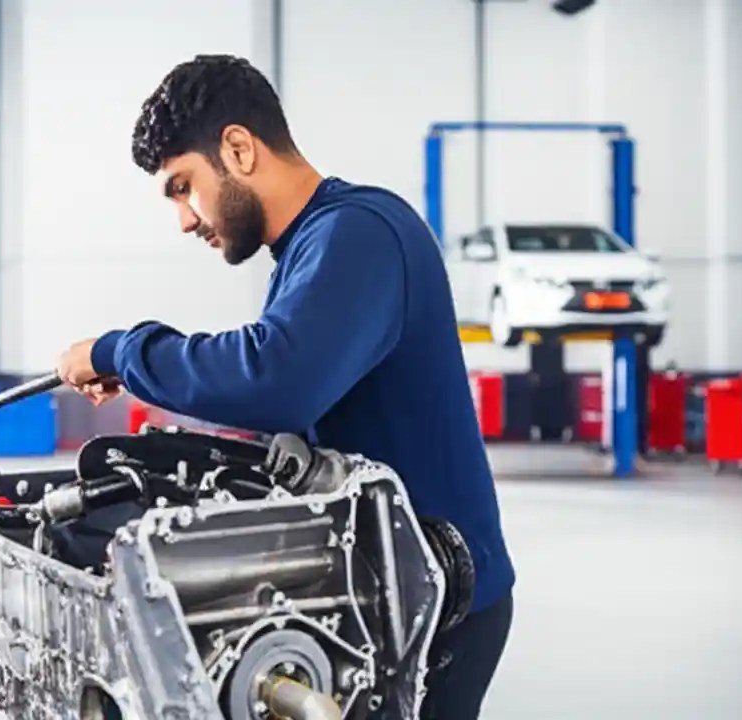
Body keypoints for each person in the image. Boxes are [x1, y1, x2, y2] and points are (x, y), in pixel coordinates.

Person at [55, 54, 514, 719]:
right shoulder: (310, 248)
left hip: (435, 608)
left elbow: (275, 378)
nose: (184, 219)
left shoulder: (361, 232)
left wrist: (120, 351)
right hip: (376, 592)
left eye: (183, 186)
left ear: (238, 148)